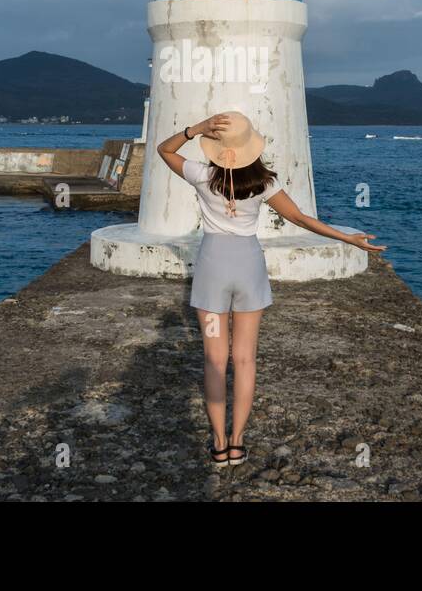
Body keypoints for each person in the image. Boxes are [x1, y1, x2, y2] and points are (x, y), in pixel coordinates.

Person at [155, 110, 385, 467]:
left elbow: (164, 150)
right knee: (245, 359)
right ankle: (237, 443)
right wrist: (347, 238)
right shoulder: (265, 183)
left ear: (217, 147)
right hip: (249, 268)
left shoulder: (202, 175)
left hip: (213, 269)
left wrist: (194, 129)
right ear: (251, 148)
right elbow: (300, 218)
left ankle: (217, 445)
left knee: (215, 359)